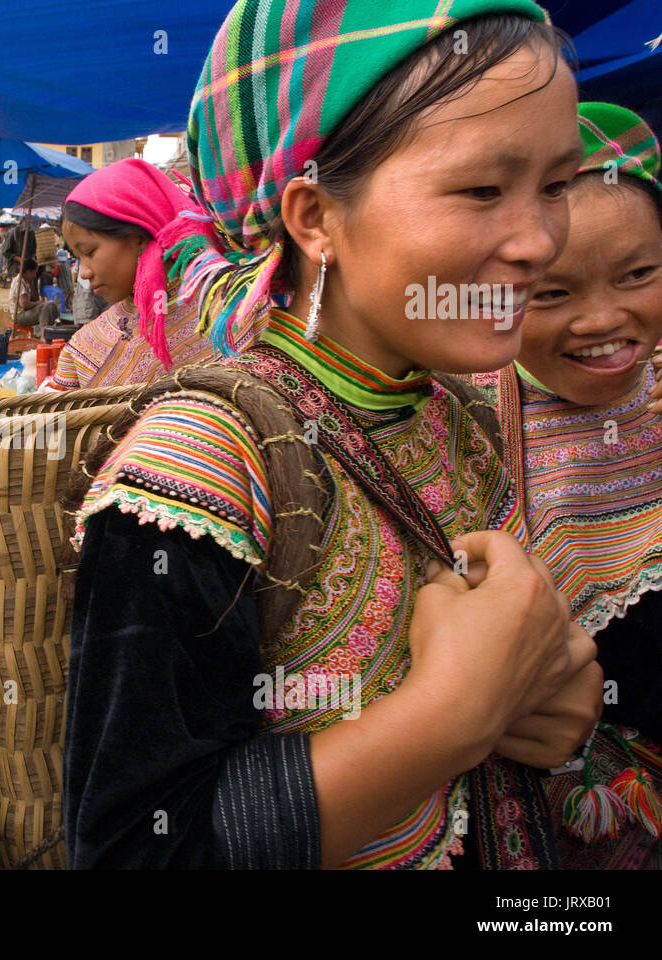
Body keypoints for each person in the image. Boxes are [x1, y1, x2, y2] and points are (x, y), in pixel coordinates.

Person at [65, 0, 600, 870]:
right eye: (482, 190)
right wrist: (454, 715)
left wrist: (554, 697)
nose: (540, 241)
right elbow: (135, 847)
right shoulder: (200, 470)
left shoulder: (458, 412)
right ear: (314, 218)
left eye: (558, 186)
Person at [470, 102, 662, 868]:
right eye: (552, 294)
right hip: (562, 819)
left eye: (639, 275)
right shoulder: (468, 425)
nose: (602, 319)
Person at [42, 158, 216, 392]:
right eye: (78, 257)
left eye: (90, 252)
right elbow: (59, 421)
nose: (84, 273)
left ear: (139, 238)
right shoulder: (83, 348)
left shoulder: (223, 321)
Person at [8, 259, 59, 333]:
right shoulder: (19, 282)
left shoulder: (25, 281)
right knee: (45, 307)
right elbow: (25, 304)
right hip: (19, 316)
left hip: (24, 313)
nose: (35, 275)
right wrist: (40, 303)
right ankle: (44, 335)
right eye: (34, 273)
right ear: (28, 272)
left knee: (50, 305)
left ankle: (51, 330)